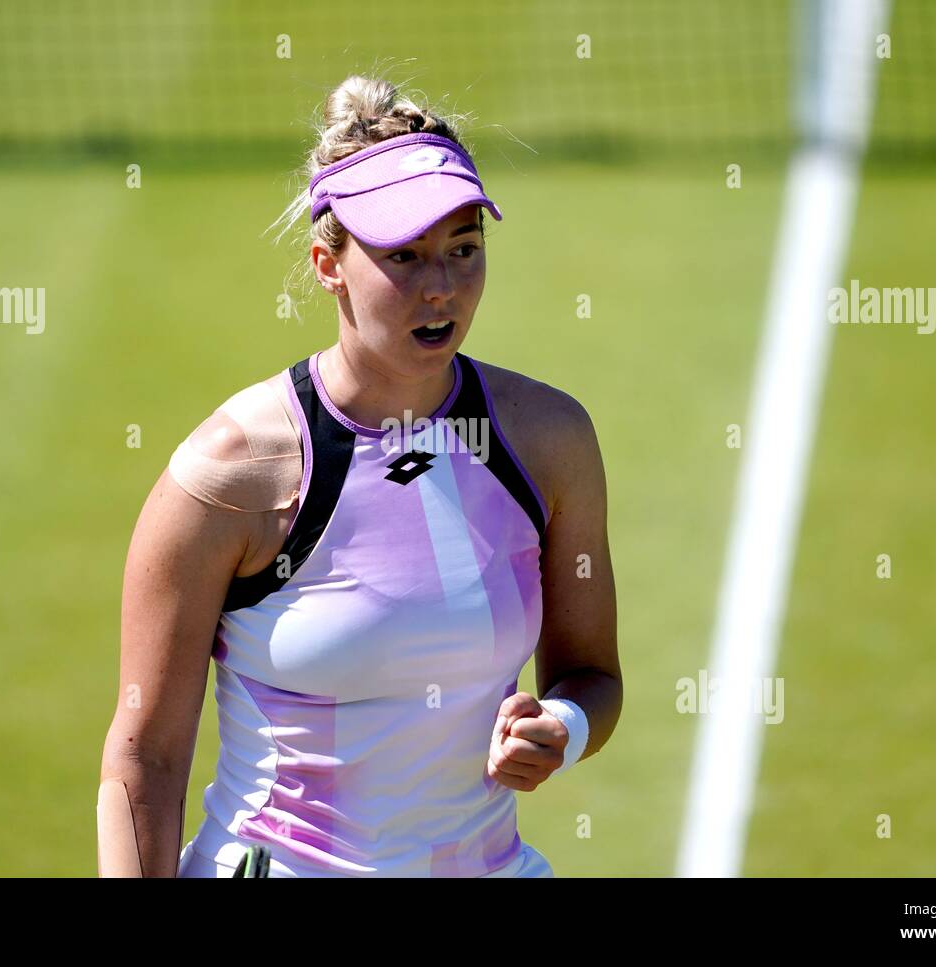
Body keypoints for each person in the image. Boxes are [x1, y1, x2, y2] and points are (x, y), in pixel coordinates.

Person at [97, 74, 621, 877]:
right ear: (327, 264)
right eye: (403, 256)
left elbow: (593, 676)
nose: (440, 285)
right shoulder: (231, 475)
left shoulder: (548, 439)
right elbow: (145, 759)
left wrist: (562, 726)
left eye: (463, 249)